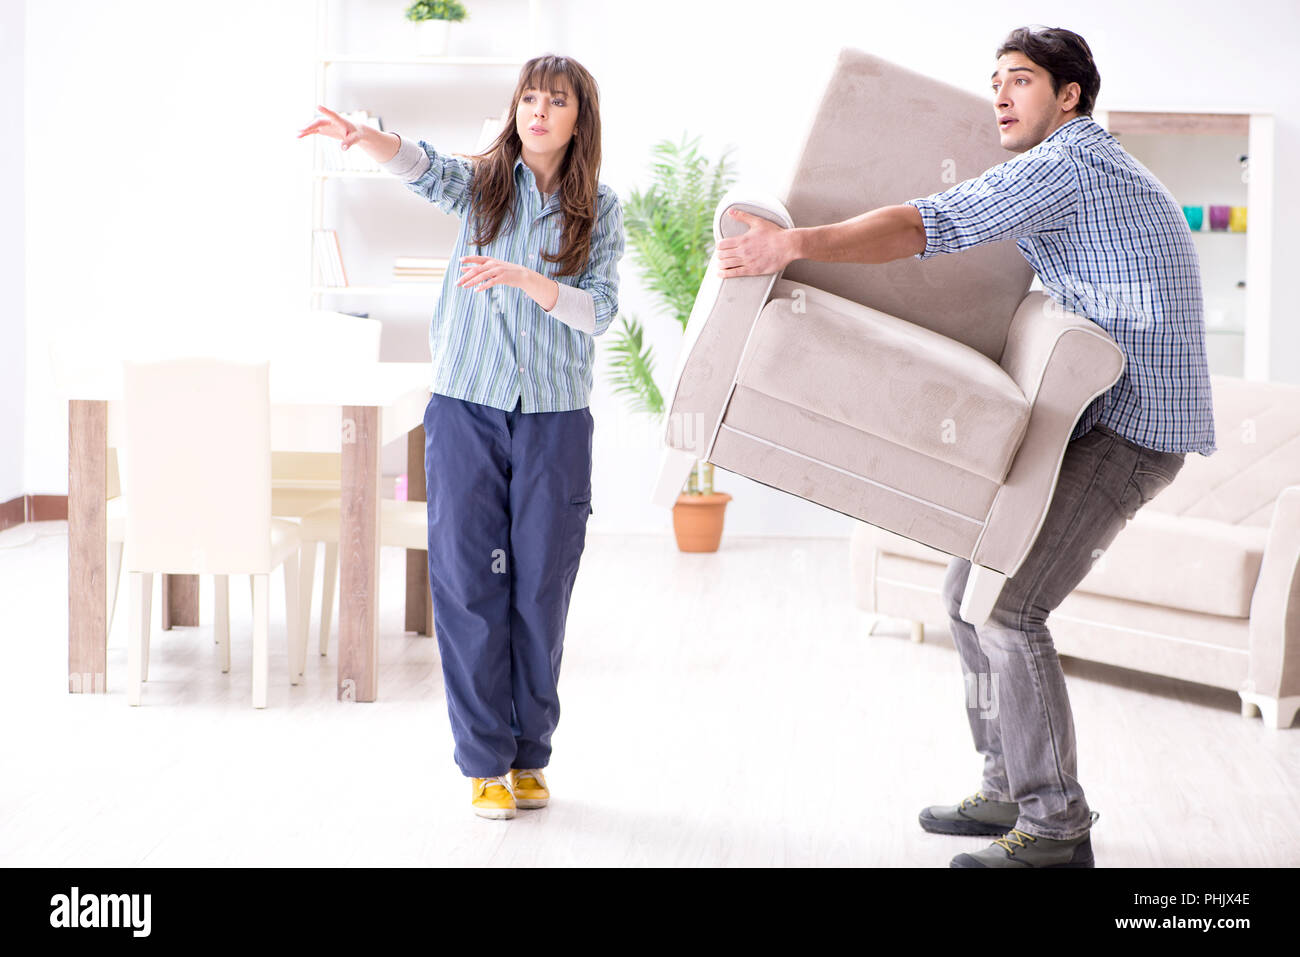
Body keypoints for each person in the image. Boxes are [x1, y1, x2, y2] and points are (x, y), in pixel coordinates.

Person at [715, 26, 1215, 867]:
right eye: (995, 83)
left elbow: (929, 223)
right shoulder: (1085, 165)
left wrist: (792, 243)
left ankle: (1056, 825)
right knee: (964, 589)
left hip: (1132, 430)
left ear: (1069, 95)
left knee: (1009, 606)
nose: (1001, 97)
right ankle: (1007, 785)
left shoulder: (1068, 162)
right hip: (1101, 417)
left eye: (1020, 80)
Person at [297, 54, 624, 821]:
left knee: (541, 590)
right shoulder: (486, 183)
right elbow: (425, 169)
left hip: (554, 419)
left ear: (580, 119)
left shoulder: (600, 209)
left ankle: (529, 753)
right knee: (470, 587)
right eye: (529, 98)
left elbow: (600, 311)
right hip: (466, 411)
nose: (538, 111)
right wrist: (369, 140)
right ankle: (485, 763)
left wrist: (530, 282)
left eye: (556, 101)